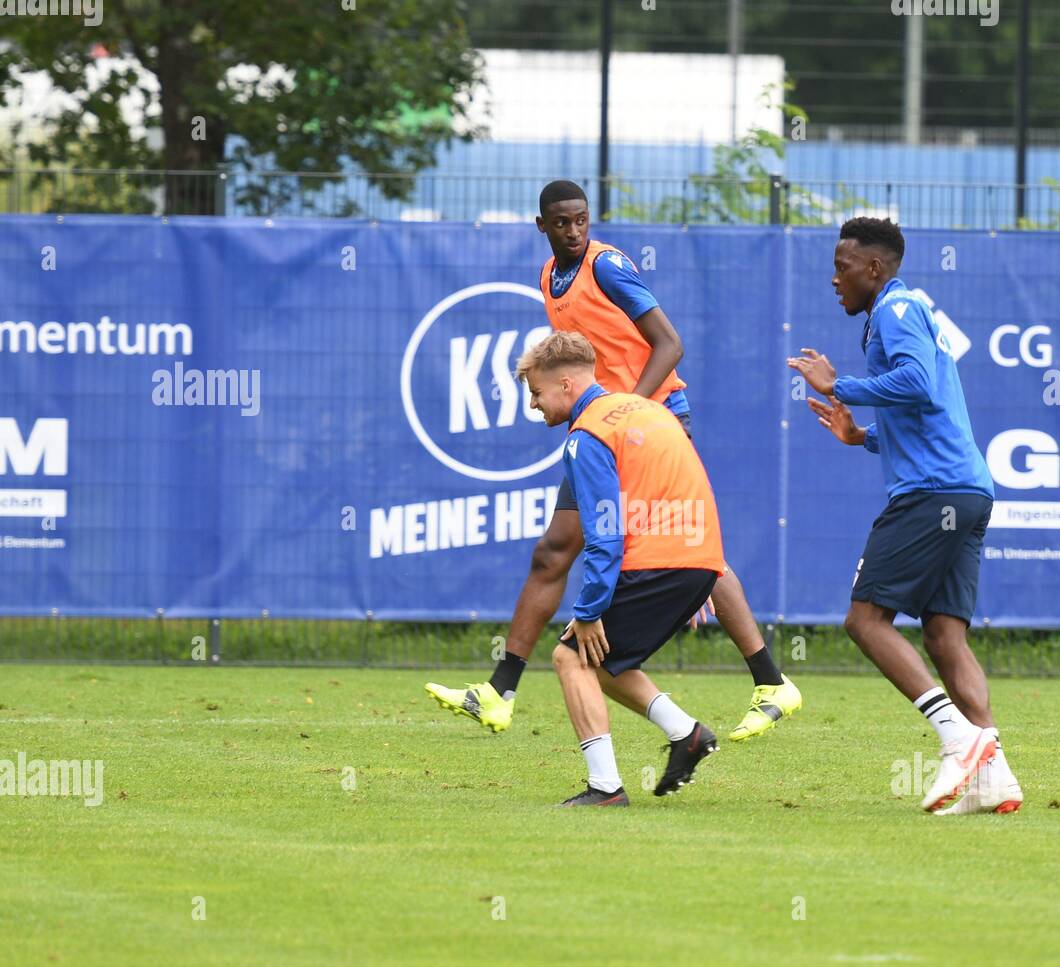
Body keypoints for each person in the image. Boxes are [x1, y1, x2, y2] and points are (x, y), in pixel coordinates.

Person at [427, 180, 801, 741]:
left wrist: (630, 407)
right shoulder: (549, 279)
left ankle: (771, 681)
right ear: (542, 226)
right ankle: (499, 691)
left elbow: (669, 343)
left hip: (653, 423)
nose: (574, 231)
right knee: (553, 551)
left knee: (694, 548)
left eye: (581, 221)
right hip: (610, 430)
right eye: (561, 223)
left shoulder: (608, 267)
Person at [789, 216, 1022, 815]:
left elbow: (917, 384)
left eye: (842, 266)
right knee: (945, 635)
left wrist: (839, 385)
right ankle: (995, 775)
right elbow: (925, 410)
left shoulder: (895, 308)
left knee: (865, 621)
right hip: (967, 490)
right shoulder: (900, 312)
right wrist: (861, 438)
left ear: (874, 267)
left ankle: (960, 740)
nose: (833, 278)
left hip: (933, 495)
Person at [516, 330, 725, 806]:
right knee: (601, 660)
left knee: (571, 655)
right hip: (698, 556)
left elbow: (605, 532)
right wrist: (699, 572)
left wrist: (588, 610)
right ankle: (688, 734)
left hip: (663, 559)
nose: (534, 405)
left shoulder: (586, 434)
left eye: (536, 393)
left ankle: (605, 788)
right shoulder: (650, 409)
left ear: (566, 385)